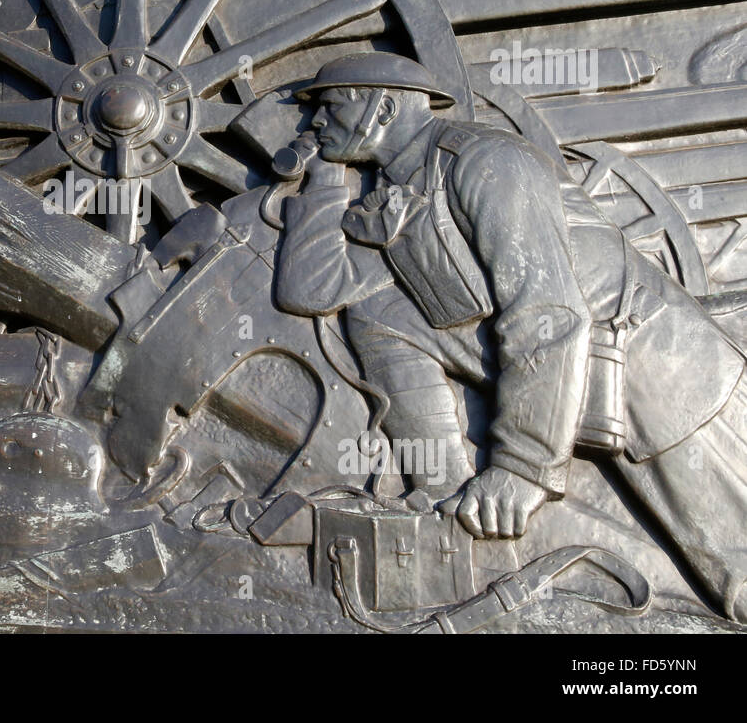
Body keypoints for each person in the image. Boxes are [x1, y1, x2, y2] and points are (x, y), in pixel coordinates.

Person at [273, 50, 747, 622]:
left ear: (384, 105)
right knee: (378, 311)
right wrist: (325, 179)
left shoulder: (486, 161)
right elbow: (312, 292)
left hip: (666, 381)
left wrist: (522, 468)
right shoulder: (389, 197)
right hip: (585, 402)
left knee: (738, 576)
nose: (314, 122)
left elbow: (547, 312)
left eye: (329, 106)